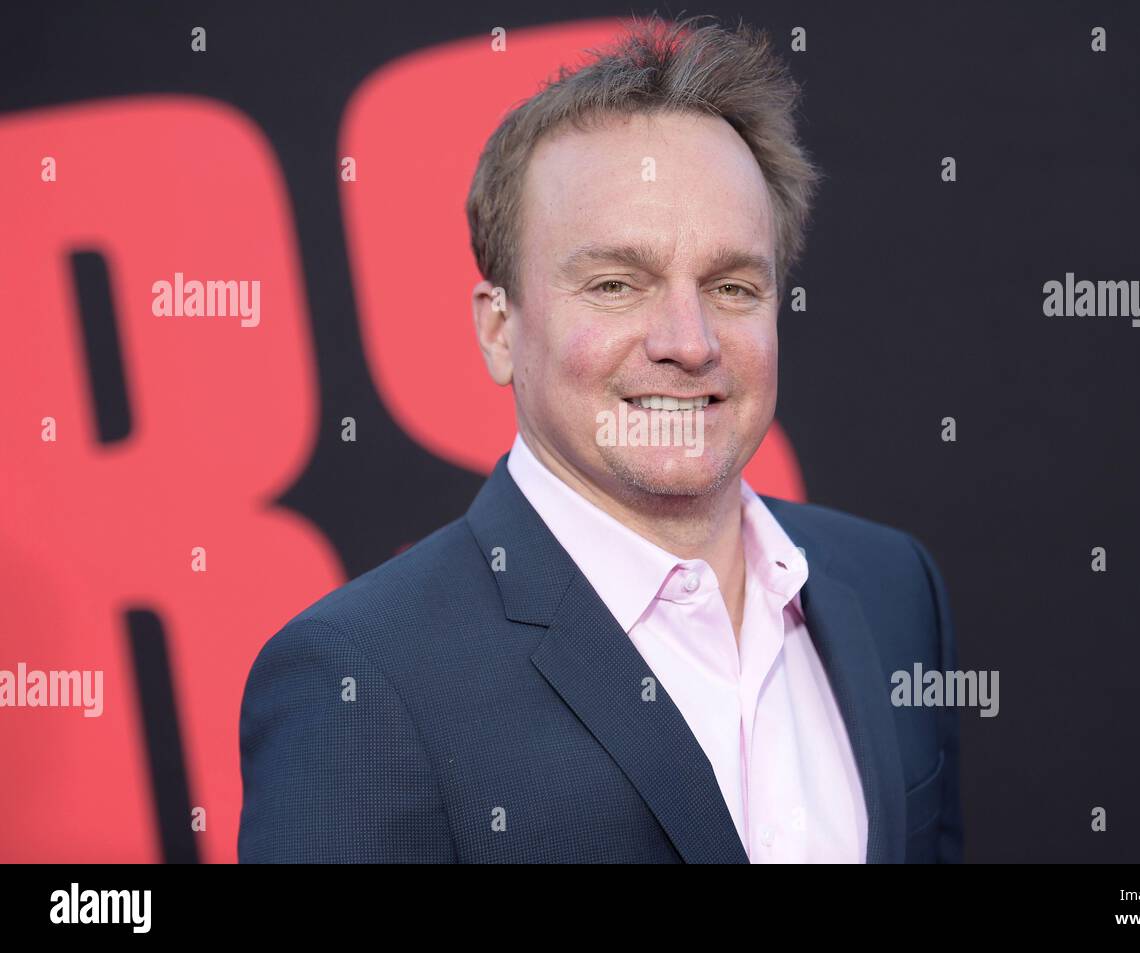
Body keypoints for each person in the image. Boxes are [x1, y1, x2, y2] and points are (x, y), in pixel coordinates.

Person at [238, 14, 962, 863]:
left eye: (732, 286)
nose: (688, 341)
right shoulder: (360, 682)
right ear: (500, 329)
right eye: (617, 283)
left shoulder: (891, 588)